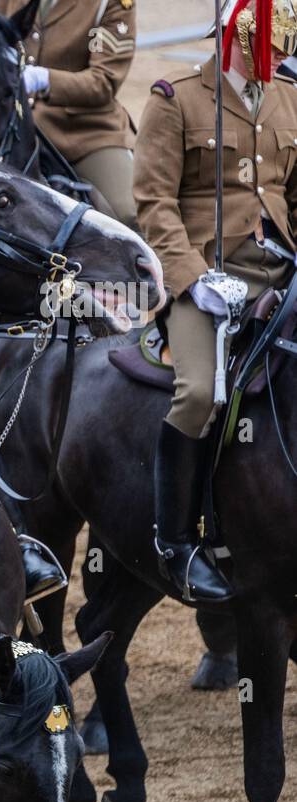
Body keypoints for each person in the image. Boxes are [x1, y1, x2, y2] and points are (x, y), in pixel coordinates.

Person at [135, 0, 297, 602]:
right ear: (238, 36)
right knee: (201, 390)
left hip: (278, 266)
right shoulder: (175, 98)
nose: (282, 57)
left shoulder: (288, 98)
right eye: (274, 46)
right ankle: (176, 541)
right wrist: (193, 277)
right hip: (207, 276)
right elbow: (152, 202)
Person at [0, 0, 138, 228]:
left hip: (84, 130)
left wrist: (44, 79)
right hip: (11, 122)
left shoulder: (110, 3)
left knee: (129, 213)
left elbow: (104, 82)